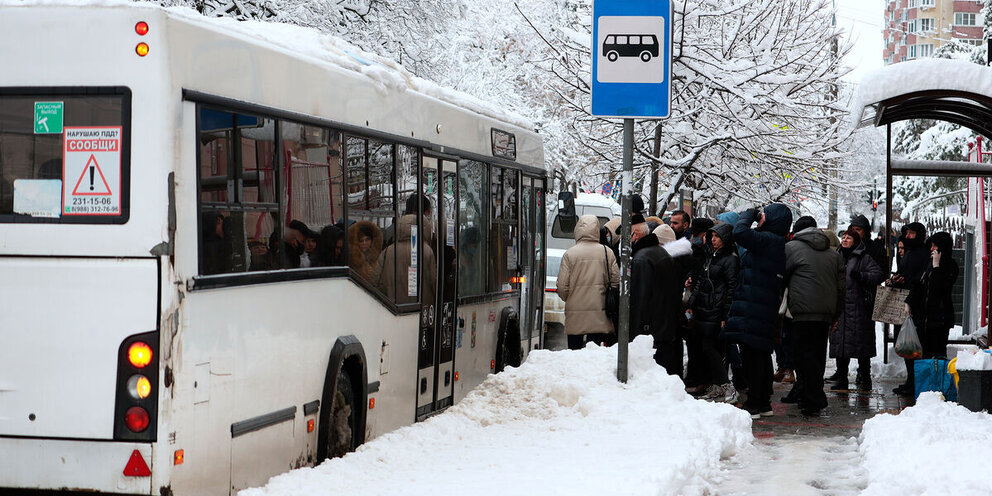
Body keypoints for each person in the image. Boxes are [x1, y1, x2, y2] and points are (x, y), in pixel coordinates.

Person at [723, 203, 792, 419]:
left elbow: (740, 232)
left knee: (753, 356)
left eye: (765, 216)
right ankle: (762, 402)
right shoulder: (772, 241)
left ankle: (755, 403)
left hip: (756, 305)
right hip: (759, 304)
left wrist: (748, 215)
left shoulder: (769, 240)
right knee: (758, 354)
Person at [781, 217, 845, 415]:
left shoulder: (790, 248)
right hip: (824, 313)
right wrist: (835, 314)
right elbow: (842, 288)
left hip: (801, 311)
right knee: (817, 356)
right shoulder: (833, 254)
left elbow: (781, 277)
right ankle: (811, 396)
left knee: (802, 356)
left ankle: (812, 399)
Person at [686, 222, 738, 402]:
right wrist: (691, 303)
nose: (713, 240)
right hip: (704, 309)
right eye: (712, 236)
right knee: (708, 348)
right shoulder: (710, 257)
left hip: (716, 310)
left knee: (711, 348)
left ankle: (726, 385)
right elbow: (701, 282)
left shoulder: (730, 259)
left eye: (717, 237)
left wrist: (725, 315)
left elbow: (731, 289)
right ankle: (717, 385)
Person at [830, 230, 885, 391]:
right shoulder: (836, 256)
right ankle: (842, 378)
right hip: (840, 307)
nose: (845, 239)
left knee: (862, 344)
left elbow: (878, 275)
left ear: (855, 241)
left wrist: (861, 275)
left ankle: (865, 377)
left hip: (859, 308)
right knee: (840, 343)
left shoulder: (863, 257)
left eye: (849, 237)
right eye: (844, 237)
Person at [556, 214, 620, 350]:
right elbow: (616, 282)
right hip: (599, 311)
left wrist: (570, 298)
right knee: (594, 353)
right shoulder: (607, 252)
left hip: (575, 312)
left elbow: (562, 286)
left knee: (574, 352)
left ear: (577, 230)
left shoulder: (570, 254)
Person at [630, 215, 683, 375]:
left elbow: (640, 298)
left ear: (636, 235)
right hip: (665, 327)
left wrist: (636, 332)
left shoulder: (641, 259)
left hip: (650, 329)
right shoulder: (659, 254)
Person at [883, 222, 929, 396]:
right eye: (907, 233)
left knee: (914, 347)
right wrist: (896, 280)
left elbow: (919, 279)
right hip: (906, 304)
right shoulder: (911, 253)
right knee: (908, 347)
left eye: (911, 233)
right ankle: (910, 381)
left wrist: (905, 280)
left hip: (916, 306)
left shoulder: (922, 254)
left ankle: (914, 383)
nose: (908, 236)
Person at [906, 231, 959, 363]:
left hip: (939, 319)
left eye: (934, 246)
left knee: (937, 355)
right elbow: (920, 285)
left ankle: (935, 382)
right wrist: (909, 302)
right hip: (925, 318)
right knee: (922, 355)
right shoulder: (928, 264)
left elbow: (940, 288)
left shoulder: (950, 266)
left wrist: (937, 267)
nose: (931, 249)